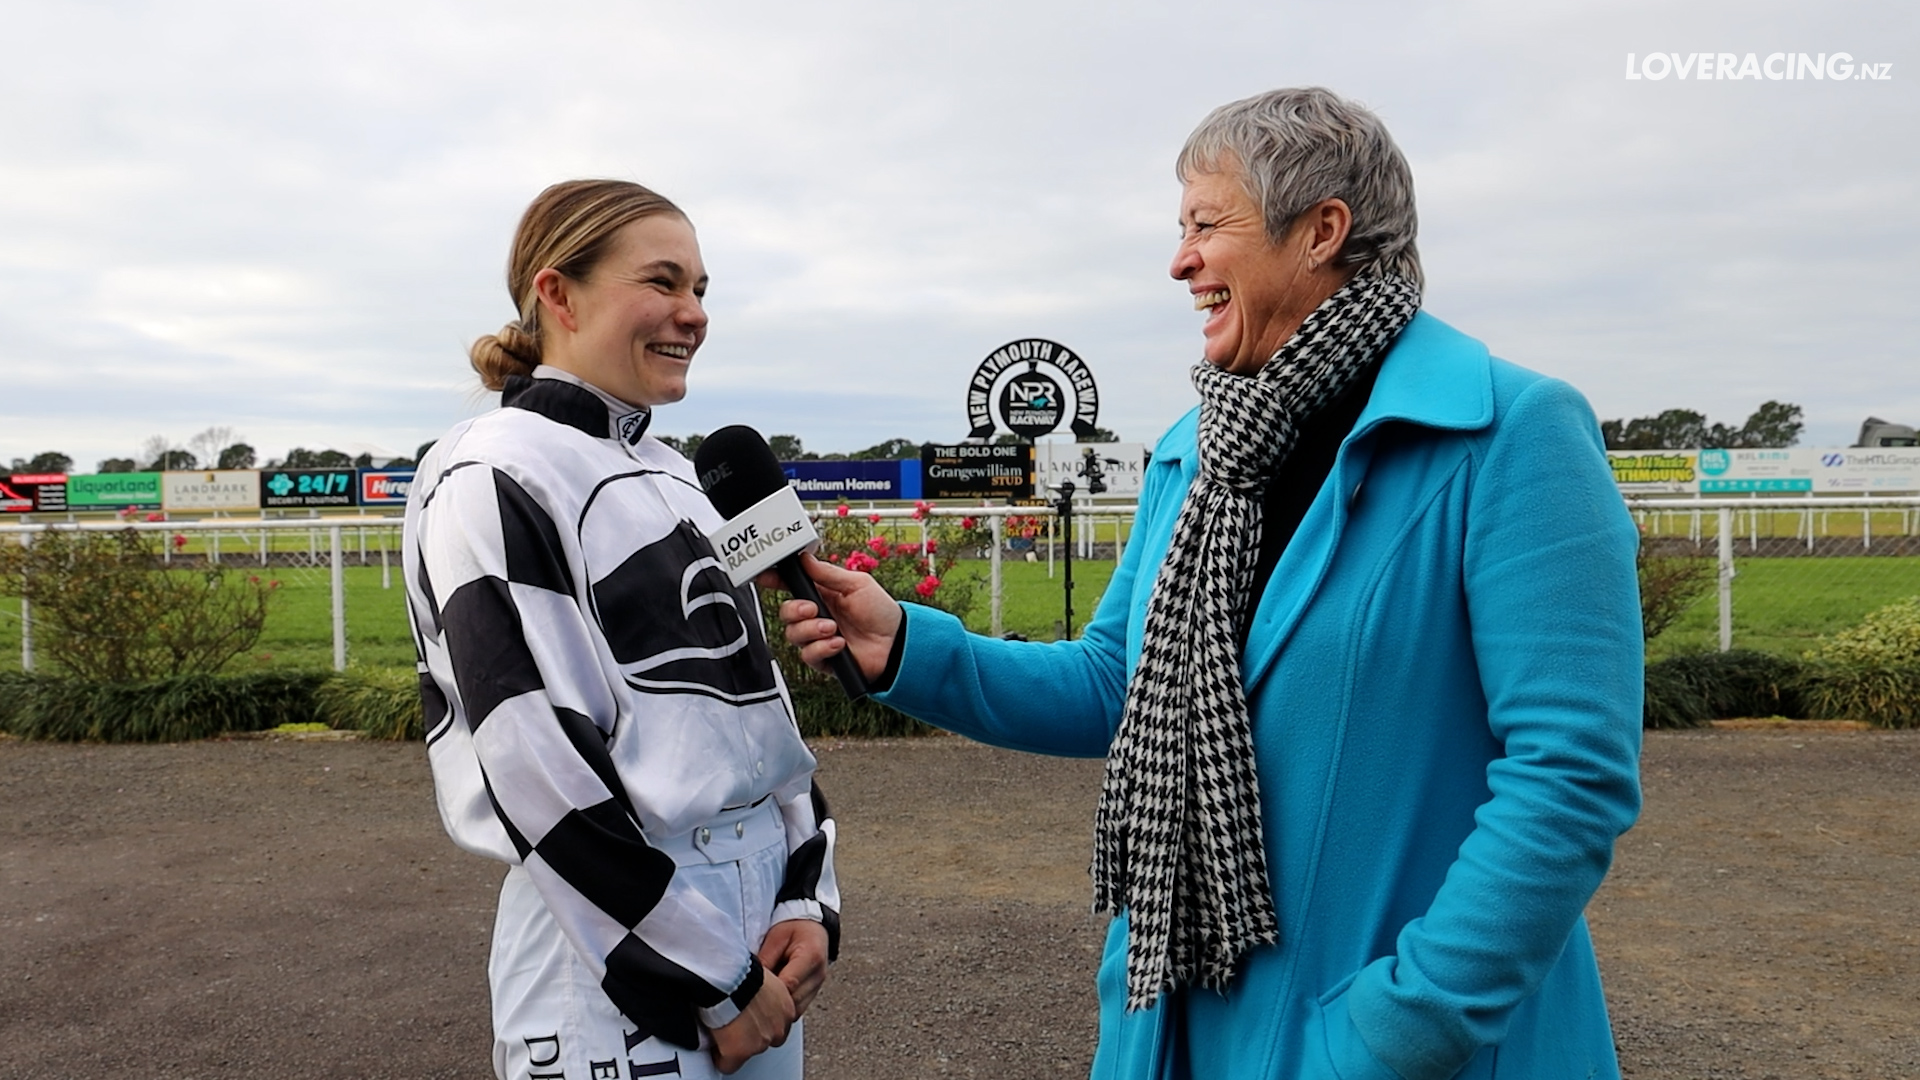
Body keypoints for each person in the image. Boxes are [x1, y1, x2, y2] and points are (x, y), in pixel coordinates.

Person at [775, 88, 1642, 1079]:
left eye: (1204, 225)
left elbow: (1569, 778)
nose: (1179, 260)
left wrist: (1392, 1030)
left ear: (1322, 231)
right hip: (1175, 1030)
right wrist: (913, 647)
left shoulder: (1507, 433)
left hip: (1398, 1048)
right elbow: (1118, 681)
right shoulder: (1198, 452)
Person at [404, 179, 839, 1080]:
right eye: (664, 282)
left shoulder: (679, 475)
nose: (693, 314)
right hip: (623, 944)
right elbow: (533, 762)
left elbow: (757, 708)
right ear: (557, 293)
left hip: (758, 926)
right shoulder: (489, 472)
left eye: (703, 290)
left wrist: (807, 890)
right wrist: (710, 977)